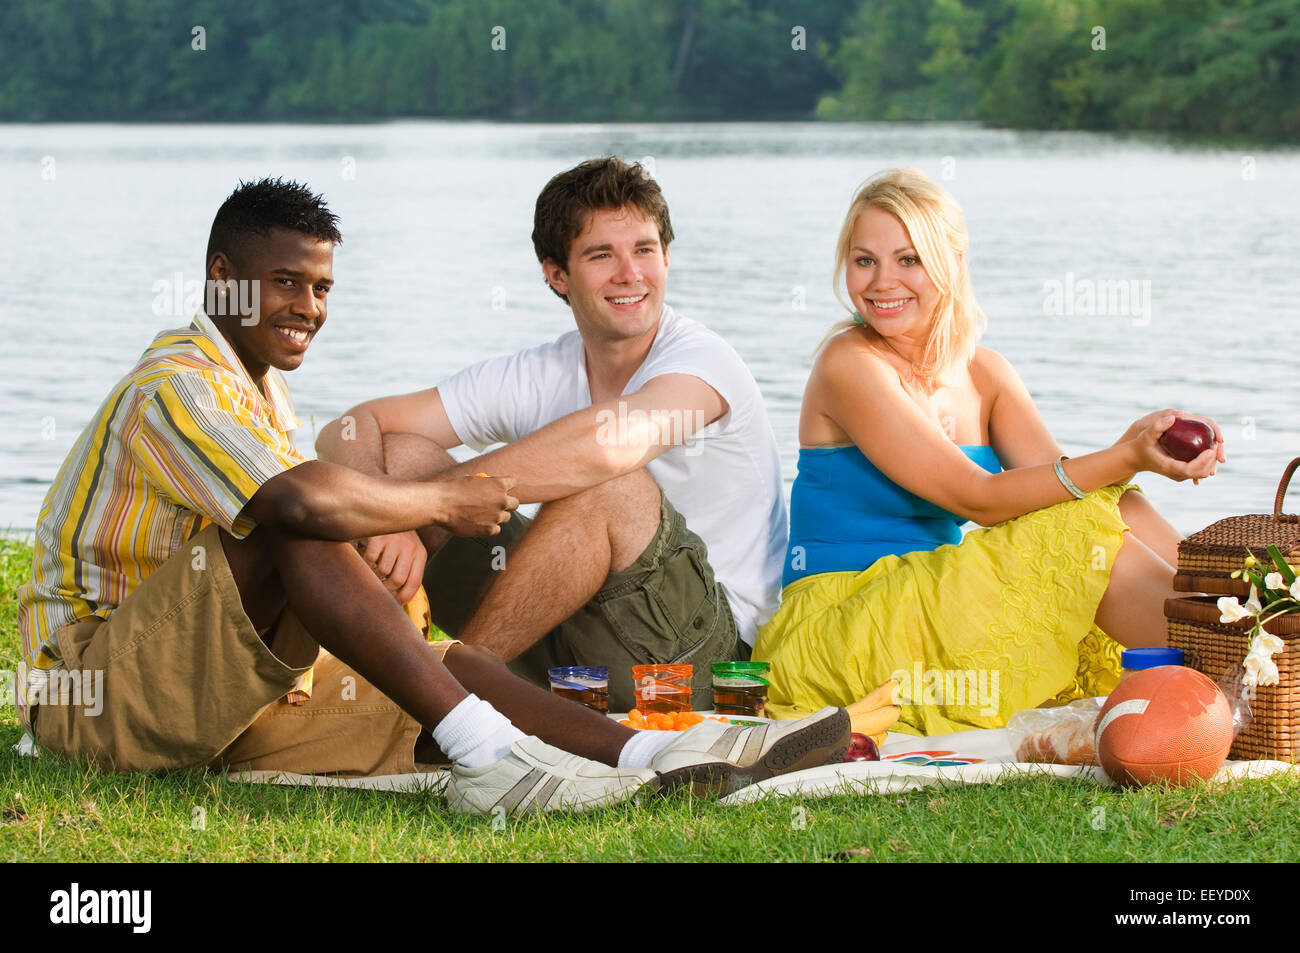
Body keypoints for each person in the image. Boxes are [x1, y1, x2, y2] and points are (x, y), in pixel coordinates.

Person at [16, 177, 847, 815]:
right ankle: (484, 747)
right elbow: (312, 495)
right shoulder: (178, 384)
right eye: (285, 283)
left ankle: (637, 757)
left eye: (322, 289)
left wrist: (409, 517)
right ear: (221, 276)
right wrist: (433, 505)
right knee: (304, 518)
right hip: (93, 695)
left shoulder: (256, 393)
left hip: (220, 687)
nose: (307, 308)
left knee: (424, 675)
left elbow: (609, 443)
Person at [753, 167, 1224, 736]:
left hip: (929, 606)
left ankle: (1243, 618)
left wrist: (1209, 565)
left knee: (1094, 510)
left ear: (950, 265)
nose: (881, 282)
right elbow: (977, 497)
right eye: (863, 260)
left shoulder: (985, 373)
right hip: (843, 622)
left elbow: (1079, 495)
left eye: (909, 260)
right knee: (1085, 529)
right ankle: (1241, 665)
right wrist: (1127, 454)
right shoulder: (848, 364)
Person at [316, 157, 790, 715]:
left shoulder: (704, 363)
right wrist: (390, 507)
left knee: (611, 484)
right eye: (601, 255)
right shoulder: (540, 371)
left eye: (644, 249)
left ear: (666, 258)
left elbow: (608, 445)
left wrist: (417, 507)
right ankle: (429, 679)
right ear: (556, 275)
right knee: (402, 456)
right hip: (572, 647)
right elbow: (348, 427)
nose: (630, 273)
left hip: (700, 662)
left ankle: (450, 699)